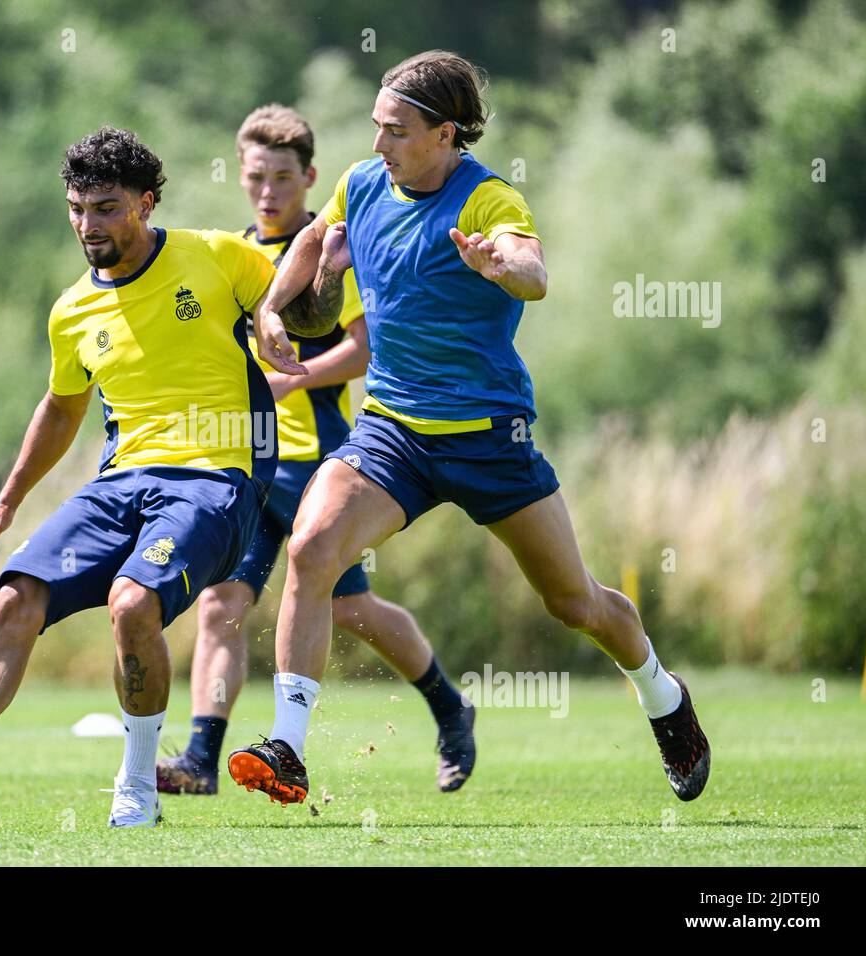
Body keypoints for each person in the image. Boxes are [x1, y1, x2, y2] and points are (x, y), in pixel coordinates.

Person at [229, 51, 711, 807]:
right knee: (313, 548)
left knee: (575, 605)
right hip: (393, 431)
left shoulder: (488, 200)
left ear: (445, 134)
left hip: (491, 438)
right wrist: (268, 309)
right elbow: (313, 242)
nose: (380, 144)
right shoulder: (361, 183)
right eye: (377, 127)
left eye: (396, 131)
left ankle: (661, 694)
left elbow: (535, 274)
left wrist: (499, 267)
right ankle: (287, 747)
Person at [0, 125, 344, 827]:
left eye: (105, 207)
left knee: (133, 604)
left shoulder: (217, 257)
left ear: (146, 202)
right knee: (18, 595)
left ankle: (137, 791)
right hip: (121, 483)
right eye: (77, 208)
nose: (88, 224)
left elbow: (311, 314)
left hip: (216, 484)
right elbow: (60, 407)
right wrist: (7, 499)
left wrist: (318, 275)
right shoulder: (72, 310)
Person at [156, 105, 475, 800]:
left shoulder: (331, 246)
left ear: (310, 178)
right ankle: (201, 760)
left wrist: (287, 378)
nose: (267, 191)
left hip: (319, 459)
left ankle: (450, 706)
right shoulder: (236, 255)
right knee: (220, 605)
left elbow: (363, 350)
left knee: (353, 610)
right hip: (245, 464)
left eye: (281, 177)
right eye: (254, 177)